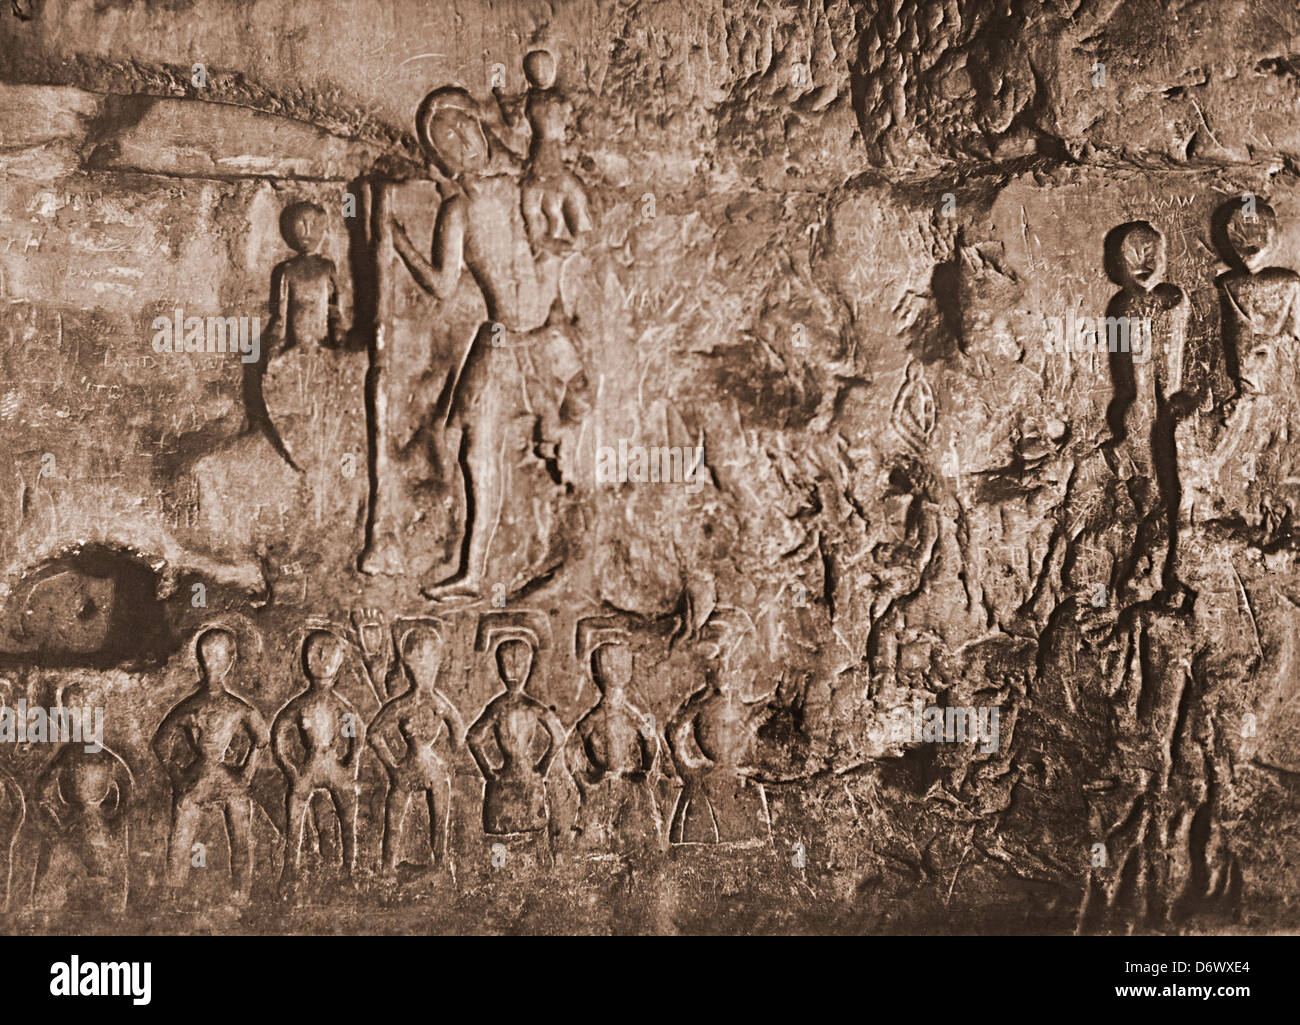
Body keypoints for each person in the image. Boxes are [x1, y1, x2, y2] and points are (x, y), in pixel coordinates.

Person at [152, 628, 268, 900]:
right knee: (238, 828)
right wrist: (245, 774)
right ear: (231, 660)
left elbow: (160, 744)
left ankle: (175, 890)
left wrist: (178, 776)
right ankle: (240, 891)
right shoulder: (237, 707)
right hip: (222, 777)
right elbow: (262, 740)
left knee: (185, 818)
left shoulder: (192, 706)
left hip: (200, 775)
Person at [369, 627, 465, 869]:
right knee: (392, 824)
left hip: (433, 769)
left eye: (429, 658)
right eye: (417, 658)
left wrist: (449, 762)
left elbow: (458, 731)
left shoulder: (438, 704)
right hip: (407, 769)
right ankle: (387, 867)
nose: (423, 668)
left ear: (436, 662)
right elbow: (374, 734)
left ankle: (441, 863)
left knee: (440, 823)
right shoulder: (404, 705)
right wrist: (392, 767)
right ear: (409, 665)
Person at [273, 630, 363, 877]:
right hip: (310, 764)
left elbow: (354, 732)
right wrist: (290, 769)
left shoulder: (338, 704)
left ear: (338, 661)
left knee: (348, 806)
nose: (322, 658)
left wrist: (351, 761)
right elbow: (279, 733)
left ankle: (349, 868)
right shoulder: (301, 704)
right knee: (295, 804)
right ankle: (291, 868)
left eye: (328, 653)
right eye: (317, 652)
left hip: (332, 763)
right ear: (306, 660)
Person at [466, 637, 565, 834]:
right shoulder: (513, 707)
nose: (513, 672)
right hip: (521, 777)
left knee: (528, 831)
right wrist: (488, 772)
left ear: (528, 666)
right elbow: (473, 738)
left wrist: (542, 768)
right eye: (507, 665)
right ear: (500, 668)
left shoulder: (504, 707)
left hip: (517, 778)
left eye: (518, 665)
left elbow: (474, 737)